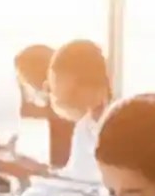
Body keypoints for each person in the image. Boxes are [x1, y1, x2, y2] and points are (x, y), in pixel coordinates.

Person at [44, 39, 113, 181]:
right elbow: (74, 178)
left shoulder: (119, 127)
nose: (52, 92)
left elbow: (101, 187)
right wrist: (37, 171)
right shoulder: (84, 126)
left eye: (57, 82)